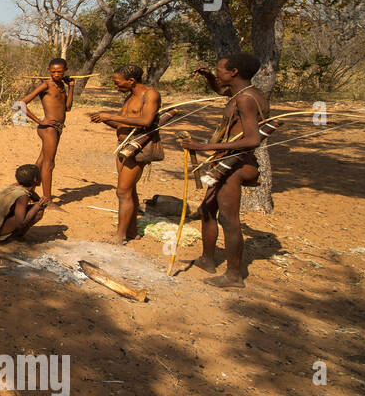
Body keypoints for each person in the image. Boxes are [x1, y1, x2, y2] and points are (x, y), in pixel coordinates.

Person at [177, 53, 270, 288]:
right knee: (207, 210)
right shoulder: (241, 92)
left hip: (236, 166)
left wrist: (203, 146)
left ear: (234, 72)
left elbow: (252, 140)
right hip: (226, 162)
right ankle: (207, 260)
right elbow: (220, 91)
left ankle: (234, 276)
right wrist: (208, 76)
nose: (218, 73)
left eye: (219, 70)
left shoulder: (246, 99)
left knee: (229, 220)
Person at [88, 65, 163, 243]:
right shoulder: (130, 96)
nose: (116, 86)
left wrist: (111, 116)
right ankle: (131, 232)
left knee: (122, 192)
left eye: (117, 83)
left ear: (131, 81)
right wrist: (104, 119)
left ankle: (119, 236)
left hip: (138, 148)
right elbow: (124, 125)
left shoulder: (150, 95)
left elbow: (146, 121)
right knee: (130, 191)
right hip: (124, 146)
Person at [18, 58, 75, 206]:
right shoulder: (46, 85)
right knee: (49, 164)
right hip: (48, 129)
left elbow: (67, 107)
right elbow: (21, 103)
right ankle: (47, 200)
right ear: (49, 71)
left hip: (57, 129)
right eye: (54, 71)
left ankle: (28, 191)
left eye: (60, 71)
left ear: (65, 71)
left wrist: (71, 87)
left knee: (41, 161)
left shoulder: (62, 86)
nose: (57, 74)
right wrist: (39, 121)